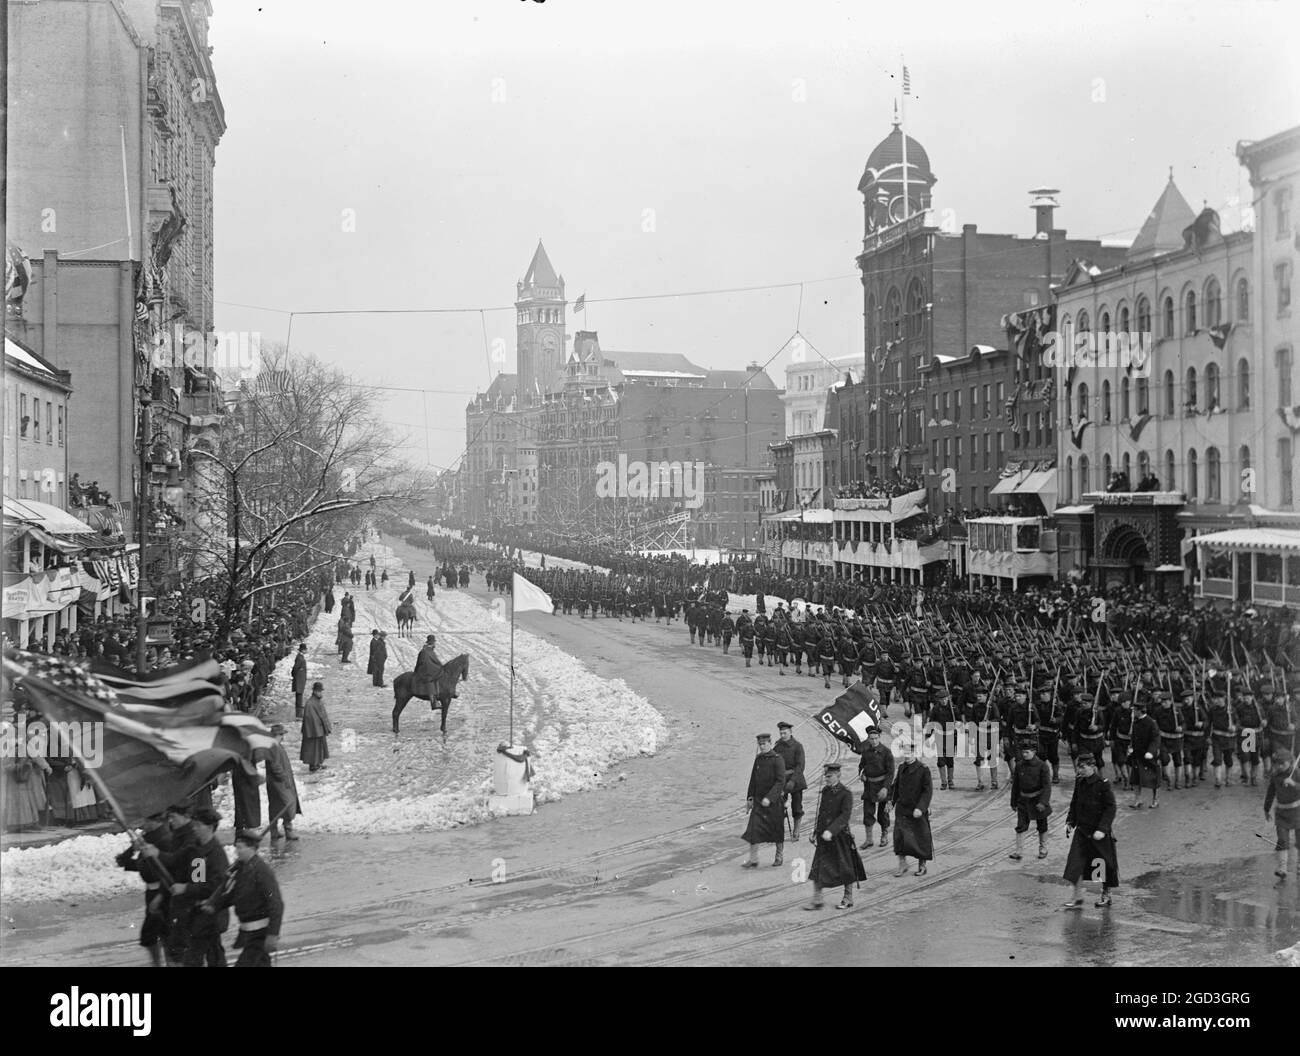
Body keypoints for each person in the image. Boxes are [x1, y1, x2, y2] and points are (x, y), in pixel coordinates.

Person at [143, 806, 229, 967]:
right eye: (194, 825)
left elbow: (215, 886)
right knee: (209, 954)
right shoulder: (195, 847)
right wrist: (157, 854)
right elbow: (176, 860)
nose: (194, 829)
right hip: (196, 911)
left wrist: (186, 888)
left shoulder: (216, 854)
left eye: (198, 826)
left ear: (210, 827)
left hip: (210, 913)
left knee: (202, 955)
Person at [202, 828, 284, 966]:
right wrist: (214, 905)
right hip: (249, 932)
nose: (237, 851)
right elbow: (236, 895)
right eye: (236, 848)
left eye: (240, 848)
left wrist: (272, 934)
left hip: (260, 933)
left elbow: (276, 903)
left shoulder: (261, 871)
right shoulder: (243, 869)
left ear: (252, 848)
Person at [804, 763, 867, 910]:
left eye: (830, 776)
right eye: (826, 776)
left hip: (840, 837)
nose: (827, 779)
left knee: (845, 869)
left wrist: (831, 831)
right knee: (818, 868)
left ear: (838, 776)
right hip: (823, 837)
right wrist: (815, 832)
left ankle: (848, 898)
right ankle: (817, 899)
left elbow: (844, 817)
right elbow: (822, 813)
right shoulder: (825, 791)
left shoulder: (846, 793)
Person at [116, 812, 174, 966]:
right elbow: (125, 862)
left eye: (146, 820)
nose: (142, 825)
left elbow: (168, 868)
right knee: (155, 934)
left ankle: (166, 963)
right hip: (152, 893)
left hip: (162, 892)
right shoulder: (148, 838)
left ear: (156, 821)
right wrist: (133, 849)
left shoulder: (165, 839)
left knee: (160, 933)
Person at [1062, 752, 1118, 909]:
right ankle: (1077, 896)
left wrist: (1102, 829)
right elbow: (1075, 803)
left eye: (1083, 767)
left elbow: (1110, 808)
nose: (1080, 771)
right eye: (1079, 767)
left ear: (1092, 767)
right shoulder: (1080, 782)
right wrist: (1070, 822)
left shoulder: (1102, 784)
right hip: (1082, 831)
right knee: (1075, 864)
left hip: (1098, 833)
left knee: (1102, 865)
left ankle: (1106, 893)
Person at [741, 733, 787, 868]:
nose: (762, 747)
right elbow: (753, 780)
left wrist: (770, 798)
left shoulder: (778, 759)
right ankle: (753, 859)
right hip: (759, 802)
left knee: (777, 830)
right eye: (760, 744)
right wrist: (750, 798)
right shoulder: (759, 759)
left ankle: (779, 856)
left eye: (764, 744)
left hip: (774, 803)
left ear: (770, 743)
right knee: (753, 830)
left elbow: (780, 782)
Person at [890, 739, 933, 876]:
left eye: (910, 752)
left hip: (917, 811)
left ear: (915, 752)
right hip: (902, 809)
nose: (907, 755)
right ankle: (902, 864)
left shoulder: (923, 769)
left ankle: (922, 865)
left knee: (920, 837)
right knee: (900, 837)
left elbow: (927, 791)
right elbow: (897, 786)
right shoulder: (902, 768)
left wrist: (921, 808)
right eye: (905, 751)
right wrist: (891, 802)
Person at [1009, 740, 1052, 861]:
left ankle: (1043, 848)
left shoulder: (1042, 766)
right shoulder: (1019, 765)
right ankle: (1019, 851)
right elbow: (1016, 785)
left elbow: (1047, 786)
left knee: (1042, 825)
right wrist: (1013, 802)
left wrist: (1043, 802)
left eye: (1027, 752)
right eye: (1023, 752)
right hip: (1023, 800)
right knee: (1021, 826)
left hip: (1038, 800)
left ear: (1034, 752)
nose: (1024, 754)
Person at [1264, 748, 1300, 882]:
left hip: (1297, 812)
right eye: (1276, 764)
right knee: (1282, 840)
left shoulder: (1296, 773)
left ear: (1290, 762)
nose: (1279, 767)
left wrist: (1294, 784)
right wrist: (1266, 809)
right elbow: (1270, 792)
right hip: (1281, 814)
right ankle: (1282, 868)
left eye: (1282, 764)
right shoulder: (1275, 776)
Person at [857, 726, 894, 849]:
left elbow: (890, 773)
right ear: (868, 739)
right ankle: (869, 839)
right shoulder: (866, 752)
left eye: (876, 738)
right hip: (869, 786)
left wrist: (885, 788)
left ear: (879, 738)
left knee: (883, 814)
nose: (874, 741)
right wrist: (861, 774)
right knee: (868, 813)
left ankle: (884, 836)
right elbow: (861, 766)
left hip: (882, 786)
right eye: (871, 739)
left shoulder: (886, 752)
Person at [264, 725, 301, 841]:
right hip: (279, 783)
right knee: (288, 803)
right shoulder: (274, 747)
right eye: (281, 735)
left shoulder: (274, 746)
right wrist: (284, 778)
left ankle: (274, 830)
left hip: (275, 782)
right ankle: (288, 829)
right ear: (277, 735)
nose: (283, 737)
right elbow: (276, 767)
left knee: (275, 806)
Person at [773, 722, 806, 839]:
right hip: (782, 780)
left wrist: (792, 781)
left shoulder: (798, 746)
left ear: (790, 732)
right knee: (779, 807)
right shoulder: (777, 747)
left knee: (797, 807)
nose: (783, 735)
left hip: (796, 780)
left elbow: (800, 766)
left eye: (785, 733)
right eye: (781, 733)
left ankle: (796, 831)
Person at [1128, 698, 1161, 810]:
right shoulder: (1135, 722)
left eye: (1134, 710)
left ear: (1140, 711)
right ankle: (1138, 800)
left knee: (1153, 778)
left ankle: (1155, 800)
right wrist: (1131, 747)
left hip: (1148, 755)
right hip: (1137, 754)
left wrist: (1151, 752)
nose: (1133, 713)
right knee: (1136, 778)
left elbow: (1155, 739)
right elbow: (1134, 737)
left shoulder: (1151, 723)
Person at [301, 682, 331, 772]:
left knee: (318, 748)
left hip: (318, 730)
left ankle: (317, 763)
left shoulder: (317, 701)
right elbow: (310, 718)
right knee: (313, 749)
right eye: (319, 691)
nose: (321, 693)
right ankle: (313, 765)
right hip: (313, 731)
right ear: (314, 691)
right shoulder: (310, 703)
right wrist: (317, 729)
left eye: (321, 691)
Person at [413, 634, 444, 699]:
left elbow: (435, 660)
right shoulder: (425, 651)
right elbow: (423, 662)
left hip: (428, 668)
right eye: (434, 642)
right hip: (425, 670)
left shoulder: (428, 650)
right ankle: (433, 697)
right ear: (432, 643)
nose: (435, 644)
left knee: (441, 670)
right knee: (434, 674)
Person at [291, 644, 308, 719]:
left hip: (300, 678)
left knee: (300, 695)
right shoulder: (299, 658)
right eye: (305, 649)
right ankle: (299, 714)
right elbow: (295, 668)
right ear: (303, 650)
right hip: (299, 679)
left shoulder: (300, 657)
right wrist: (295, 675)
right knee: (299, 696)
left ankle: (299, 711)